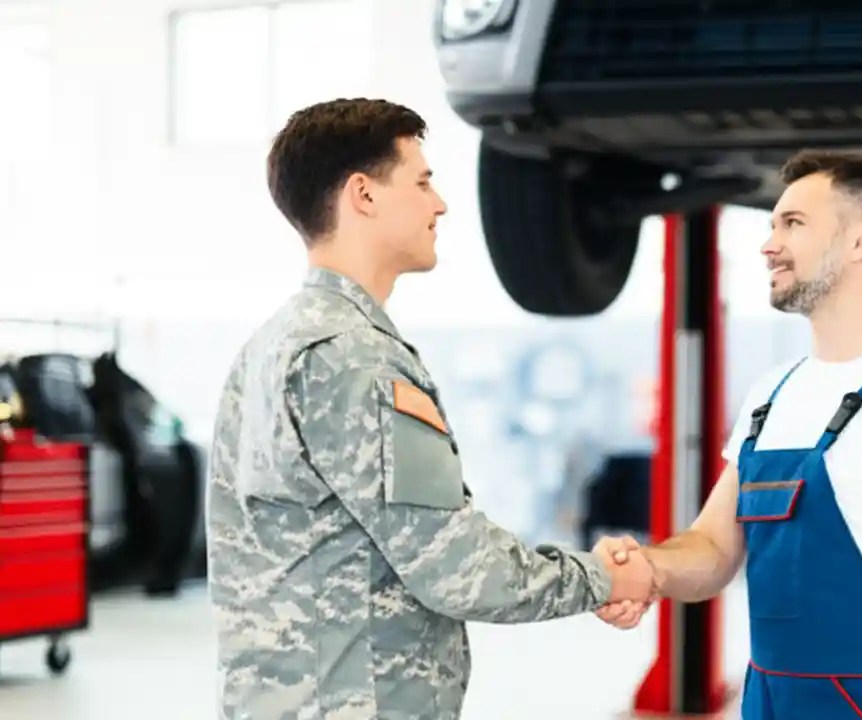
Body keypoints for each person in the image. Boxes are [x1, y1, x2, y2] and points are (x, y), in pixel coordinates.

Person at [205, 98, 655, 720]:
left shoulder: (272, 345)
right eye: (421, 181)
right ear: (363, 194)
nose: (439, 203)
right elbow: (454, 564)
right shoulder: (351, 357)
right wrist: (605, 578)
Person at [596, 151, 862, 719]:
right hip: (772, 703)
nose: (768, 244)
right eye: (772, 224)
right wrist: (648, 569)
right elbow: (716, 548)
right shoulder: (771, 397)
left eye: (792, 224)